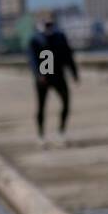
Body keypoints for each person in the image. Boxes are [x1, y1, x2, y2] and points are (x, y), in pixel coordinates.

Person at [28, 13, 78, 147]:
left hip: (58, 76)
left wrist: (74, 73)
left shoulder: (60, 37)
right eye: (46, 24)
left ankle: (61, 132)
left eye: (51, 23)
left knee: (66, 103)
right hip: (44, 77)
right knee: (41, 107)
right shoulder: (36, 39)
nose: (49, 26)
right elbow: (33, 60)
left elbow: (68, 55)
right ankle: (41, 135)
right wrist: (40, 74)